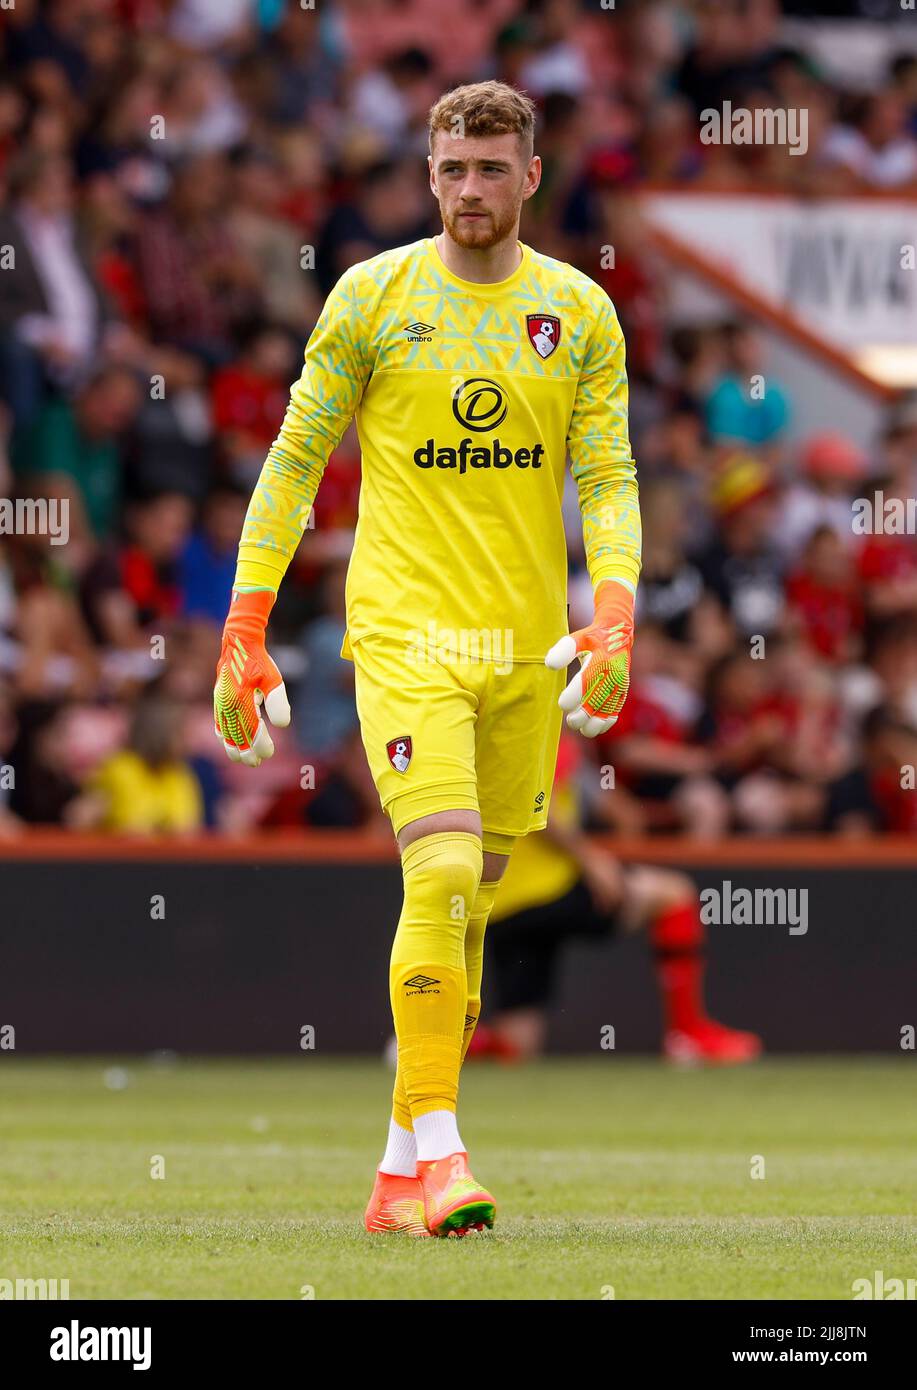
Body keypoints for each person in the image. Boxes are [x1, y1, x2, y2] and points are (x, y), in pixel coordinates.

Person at [212, 81, 641, 1238]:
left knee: (469, 913)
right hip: (405, 638)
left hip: (520, 653)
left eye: (490, 170)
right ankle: (448, 1157)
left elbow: (604, 476)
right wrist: (245, 625)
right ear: (429, 170)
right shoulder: (371, 297)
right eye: (450, 168)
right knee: (440, 875)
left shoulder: (578, 313)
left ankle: (397, 1174)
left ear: (529, 178)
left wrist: (613, 613)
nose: (466, 190)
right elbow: (295, 461)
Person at [478, 733, 762, 1065]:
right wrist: (591, 858)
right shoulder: (546, 729)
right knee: (673, 893)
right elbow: (538, 807)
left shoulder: (502, 733)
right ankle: (687, 1034)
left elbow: (603, 803)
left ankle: (444, 1046)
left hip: (502, 903)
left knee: (517, 1045)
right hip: (549, 889)